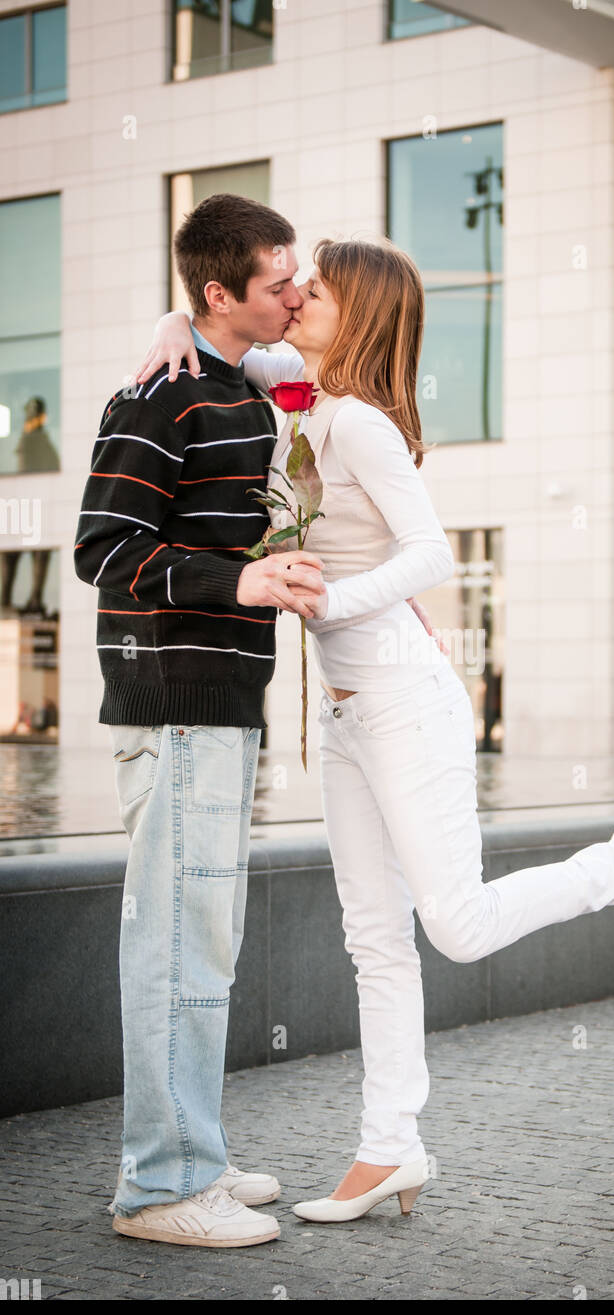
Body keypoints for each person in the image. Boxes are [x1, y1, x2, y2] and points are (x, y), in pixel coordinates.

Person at [138, 232, 614, 1227]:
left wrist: (332, 600)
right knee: (373, 940)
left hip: (404, 700)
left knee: (456, 923)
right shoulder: (297, 392)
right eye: (299, 279)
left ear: (361, 312)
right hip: (347, 717)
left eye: (320, 285)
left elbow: (432, 553)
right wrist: (168, 323)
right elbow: (213, 330)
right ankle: (388, 1150)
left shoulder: (358, 424)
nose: (300, 291)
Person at [74, 193, 330, 1248]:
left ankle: (196, 1155)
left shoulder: (236, 374)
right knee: (178, 945)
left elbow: (315, 358)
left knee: (204, 942)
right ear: (220, 291)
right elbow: (103, 548)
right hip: (175, 701)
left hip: (220, 702)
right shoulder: (160, 394)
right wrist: (245, 581)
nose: (297, 294)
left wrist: (181, 319)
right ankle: (161, 1188)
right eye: (277, 281)